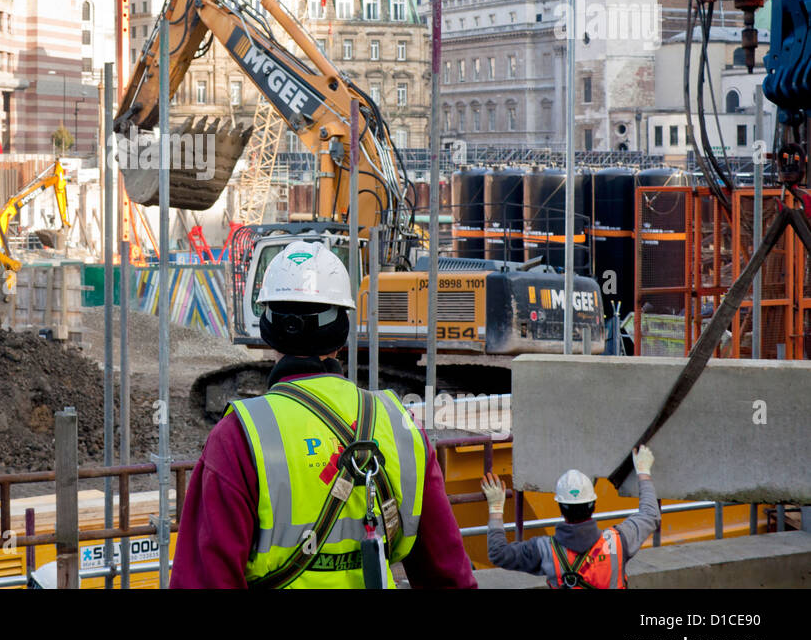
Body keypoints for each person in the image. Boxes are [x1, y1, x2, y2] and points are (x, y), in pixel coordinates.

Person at [171, 240, 477, 589]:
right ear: (341, 330)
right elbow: (449, 573)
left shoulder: (239, 436)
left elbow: (204, 578)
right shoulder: (400, 426)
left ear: (269, 329)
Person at [480, 446, 659, 588]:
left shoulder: (544, 550)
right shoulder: (620, 541)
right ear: (593, 504)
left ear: (560, 508)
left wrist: (496, 508)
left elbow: (498, 554)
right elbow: (650, 514)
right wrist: (643, 472)